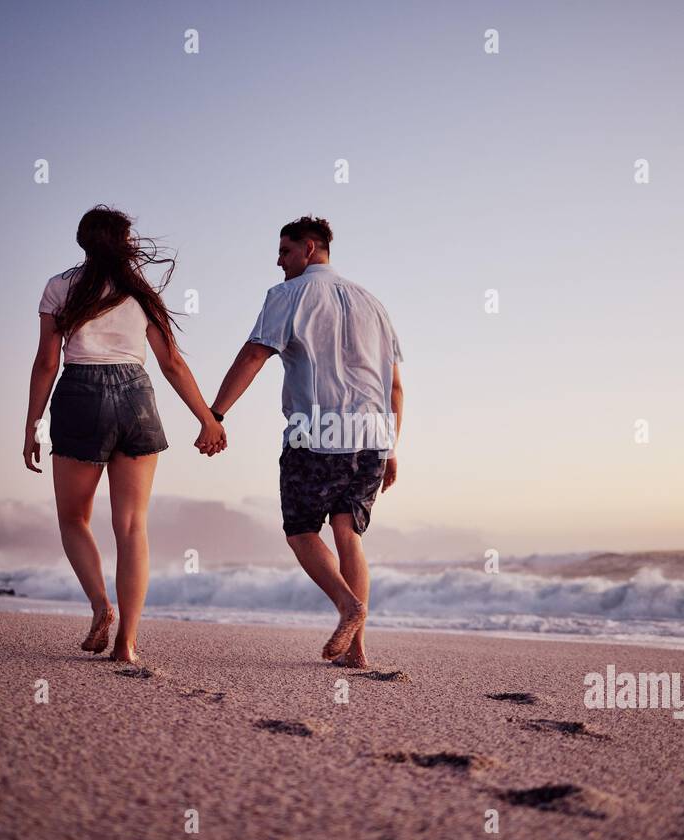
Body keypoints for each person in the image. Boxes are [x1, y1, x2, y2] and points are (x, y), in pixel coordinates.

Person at [23, 205, 226, 663]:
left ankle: (100, 606)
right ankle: (127, 645)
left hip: (79, 395)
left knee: (74, 518)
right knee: (132, 526)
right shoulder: (140, 292)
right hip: (136, 396)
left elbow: (46, 364)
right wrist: (207, 419)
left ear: (83, 241)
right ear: (126, 243)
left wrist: (33, 425)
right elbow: (172, 363)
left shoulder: (59, 287)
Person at [211, 216, 403, 668]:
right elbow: (395, 386)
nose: (279, 262)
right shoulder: (373, 303)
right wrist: (391, 447)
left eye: (284, 252)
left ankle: (347, 604)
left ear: (310, 248)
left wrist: (216, 413)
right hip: (371, 437)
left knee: (300, 531)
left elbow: (256, 353)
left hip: (314, 432)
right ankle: (356, 652)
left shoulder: (288, 295)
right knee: (347, 531)